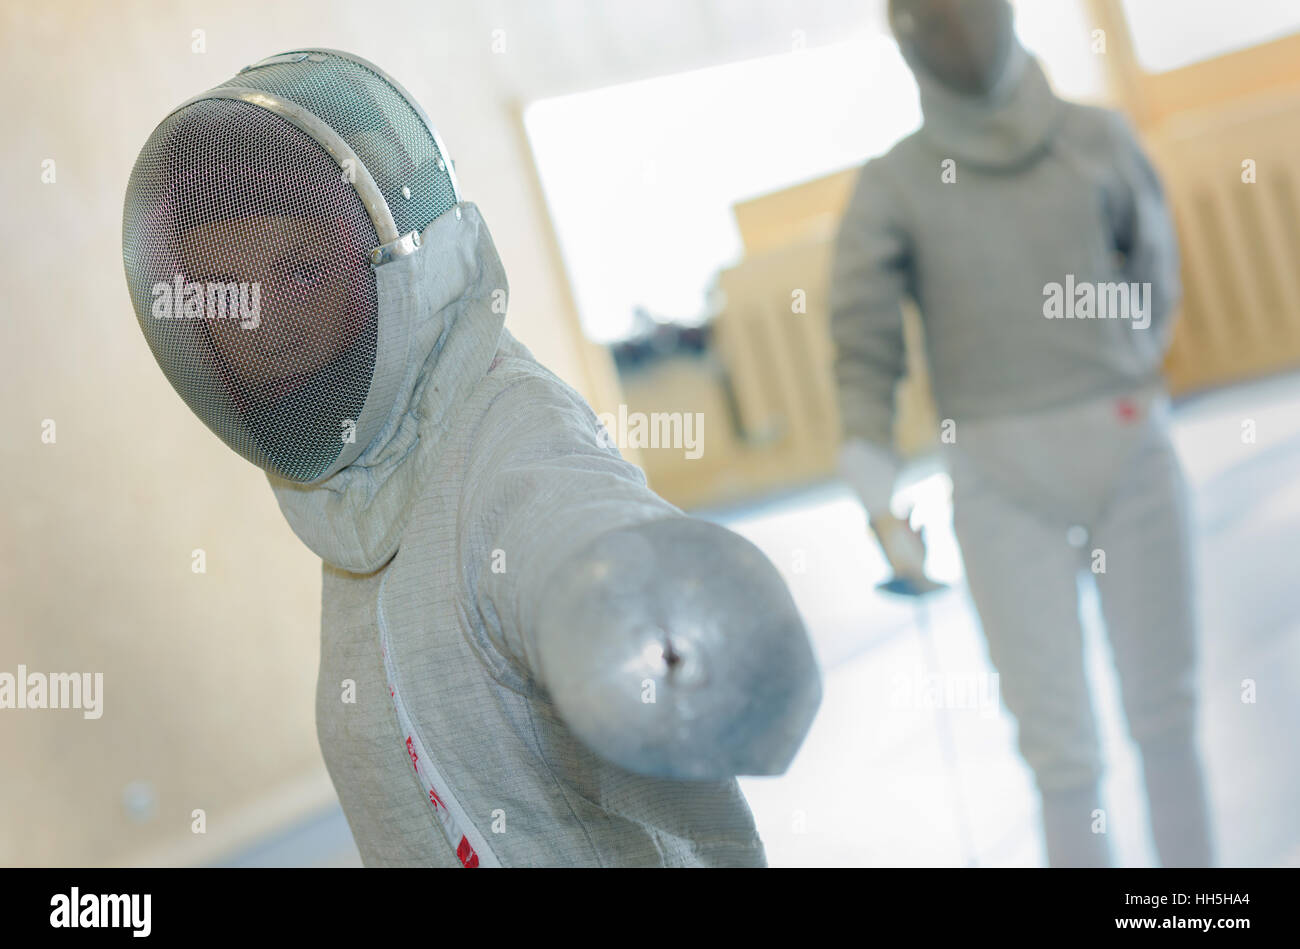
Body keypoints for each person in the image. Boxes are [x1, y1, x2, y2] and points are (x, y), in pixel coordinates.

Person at [122, 48, 821, 867]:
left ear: (392, 262)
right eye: (223, 296)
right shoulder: (355, 487)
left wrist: (644, 607)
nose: (262, 327)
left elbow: (566, 520)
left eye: (301, 271)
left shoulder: (503, 425)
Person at [831, 0, 1214, 866]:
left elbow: (1153, 276)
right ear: (906, 38)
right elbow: (863, 344)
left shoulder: (1101, 140)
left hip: (1124, 448)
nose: (957, 33)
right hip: (1003, 477)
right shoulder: (895, 183)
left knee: (1166, 716)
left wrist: (1119, 366)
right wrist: (877, 492)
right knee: (1061, 752)